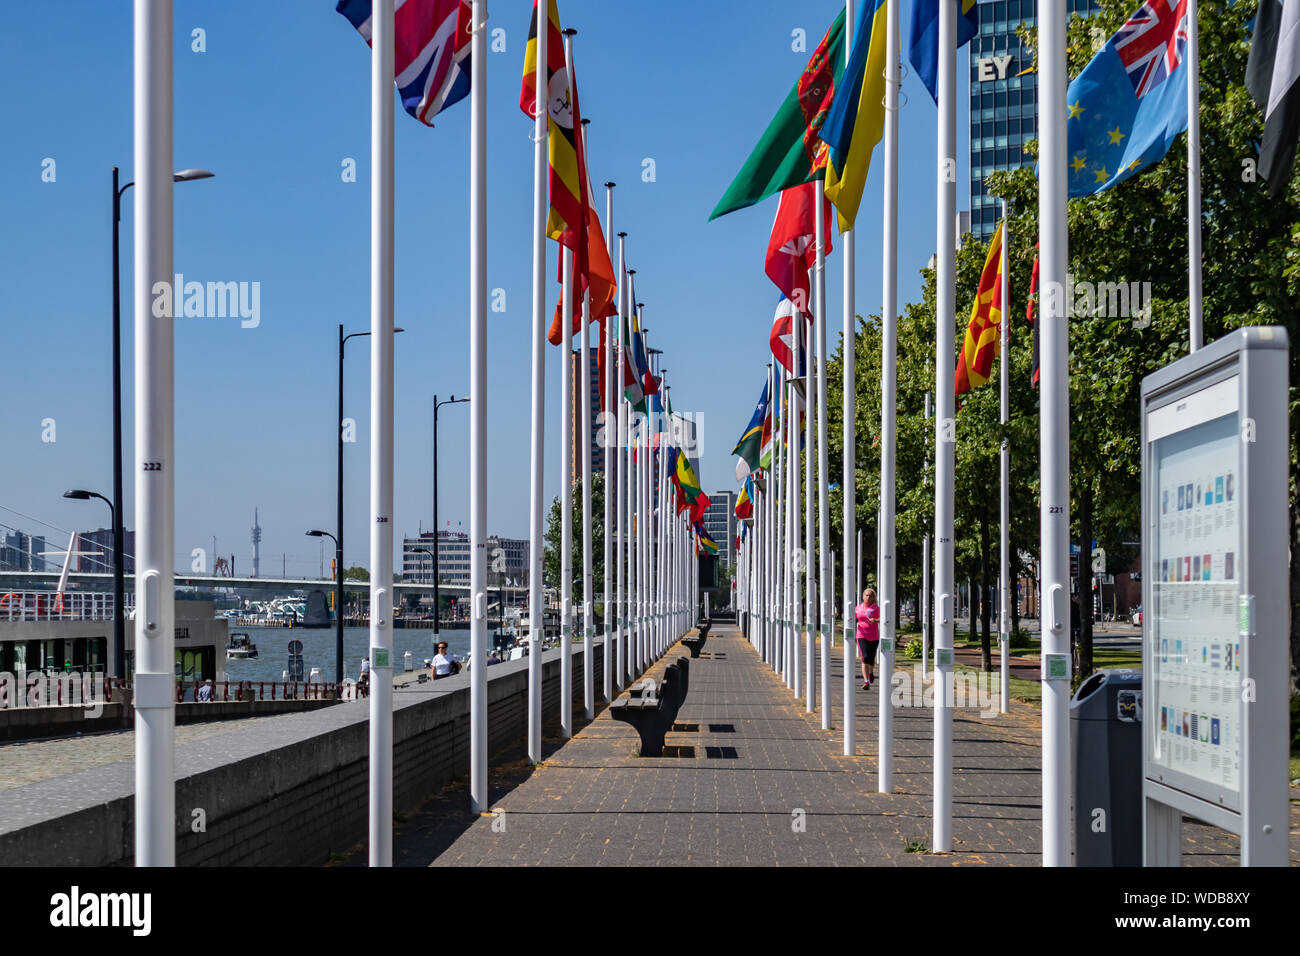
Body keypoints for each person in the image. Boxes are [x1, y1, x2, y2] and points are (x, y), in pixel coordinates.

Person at [855, 588, 881, 689]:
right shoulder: (858, 608)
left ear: (873, 597)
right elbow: (852, 618)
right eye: (866, 595)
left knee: (871, 658)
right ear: (863, 596)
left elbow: (883, 618)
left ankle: (871, 672)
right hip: (861, 635)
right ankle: (866, 682)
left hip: (874, 636)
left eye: (870, 595)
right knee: (865, 657)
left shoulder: (876, 608)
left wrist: (876, 620)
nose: (868, 597)